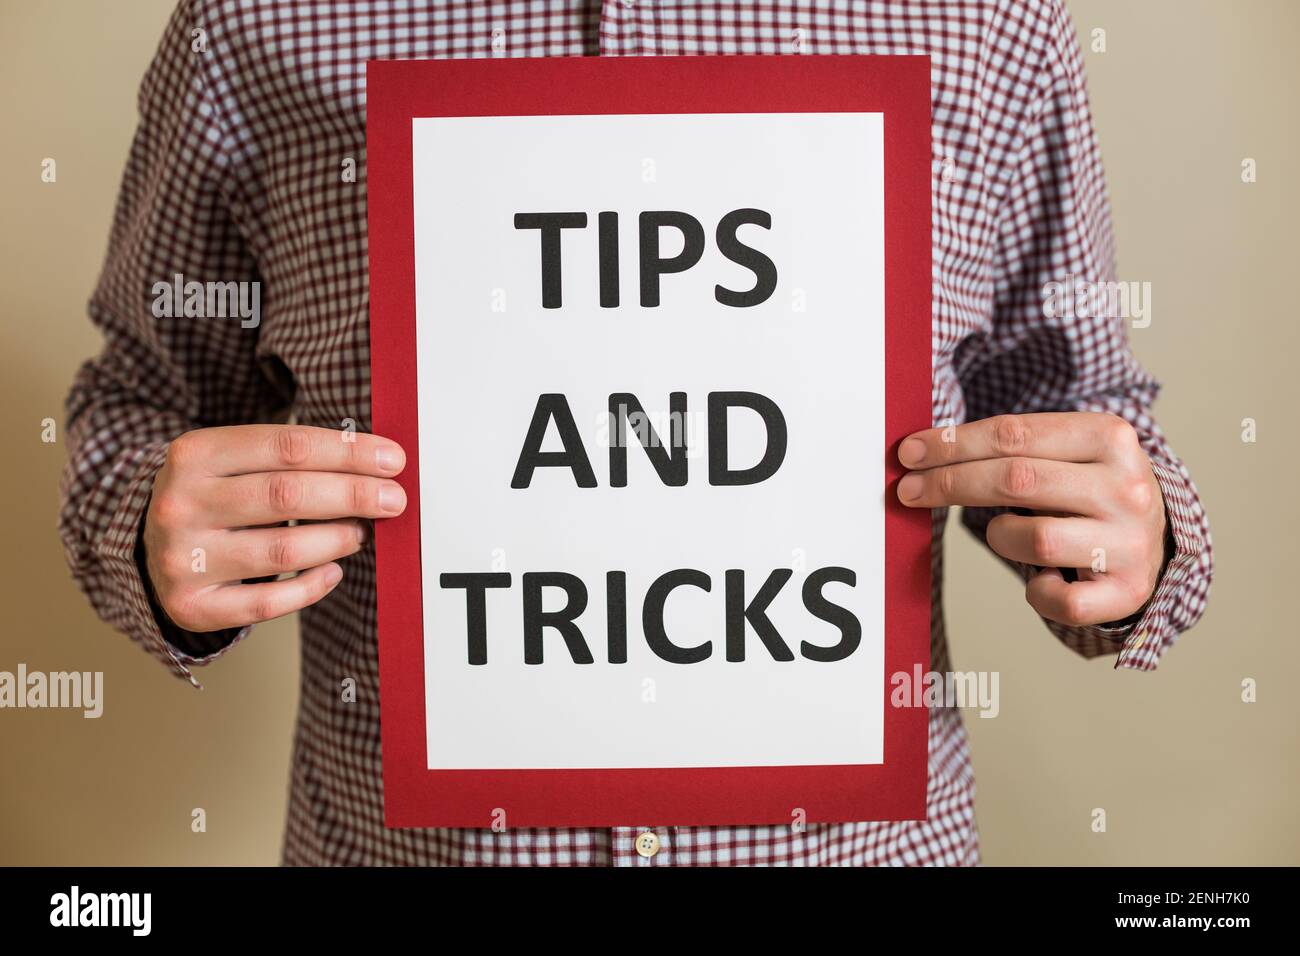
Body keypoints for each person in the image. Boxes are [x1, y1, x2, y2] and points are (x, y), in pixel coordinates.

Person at [60, 0, 1211, 866]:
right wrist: (157, 535)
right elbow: (141, 402)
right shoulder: (257, 23)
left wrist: (1131, 541)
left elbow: (1084, 407)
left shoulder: (985, 24)